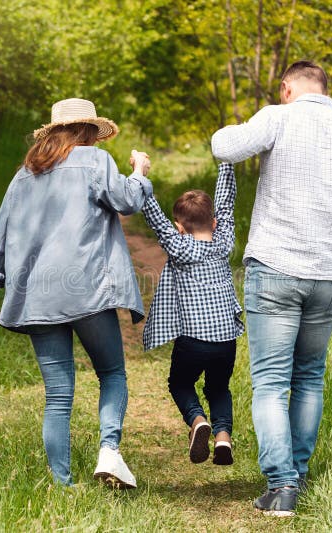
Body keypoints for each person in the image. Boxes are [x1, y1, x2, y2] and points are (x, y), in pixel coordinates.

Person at [211, 60, 332, 516]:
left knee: (271, 381)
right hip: (329, 275)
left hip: (275, 266)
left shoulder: (277, 116)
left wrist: (244, 124)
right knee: (309, 375)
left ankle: (281, 485)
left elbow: (223, 146)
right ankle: (300, 478)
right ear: (326, 90)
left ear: (287, 87)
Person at [0, 98, 153, 489]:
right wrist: (139, 171)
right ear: (89, 131)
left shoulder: (25, 173)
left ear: (53, 132)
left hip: (36, 295)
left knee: (57, 395)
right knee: (112, 372)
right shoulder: (95, 161)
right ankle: (109, 450)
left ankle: (63, 487)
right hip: (86, 288)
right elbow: (128, 201)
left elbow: (1, 231)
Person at [140, 162, 244, 466]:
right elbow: (225, 204)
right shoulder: (223, 242)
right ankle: (223, 437)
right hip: (226, 339)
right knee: (218, 387)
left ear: (179, 226)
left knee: (180, 383)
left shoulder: (179, 245)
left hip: (193, 339)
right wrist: (226, 161)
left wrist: (141, 179)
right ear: (213, 223)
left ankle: (198, 421)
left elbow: (156, 219)